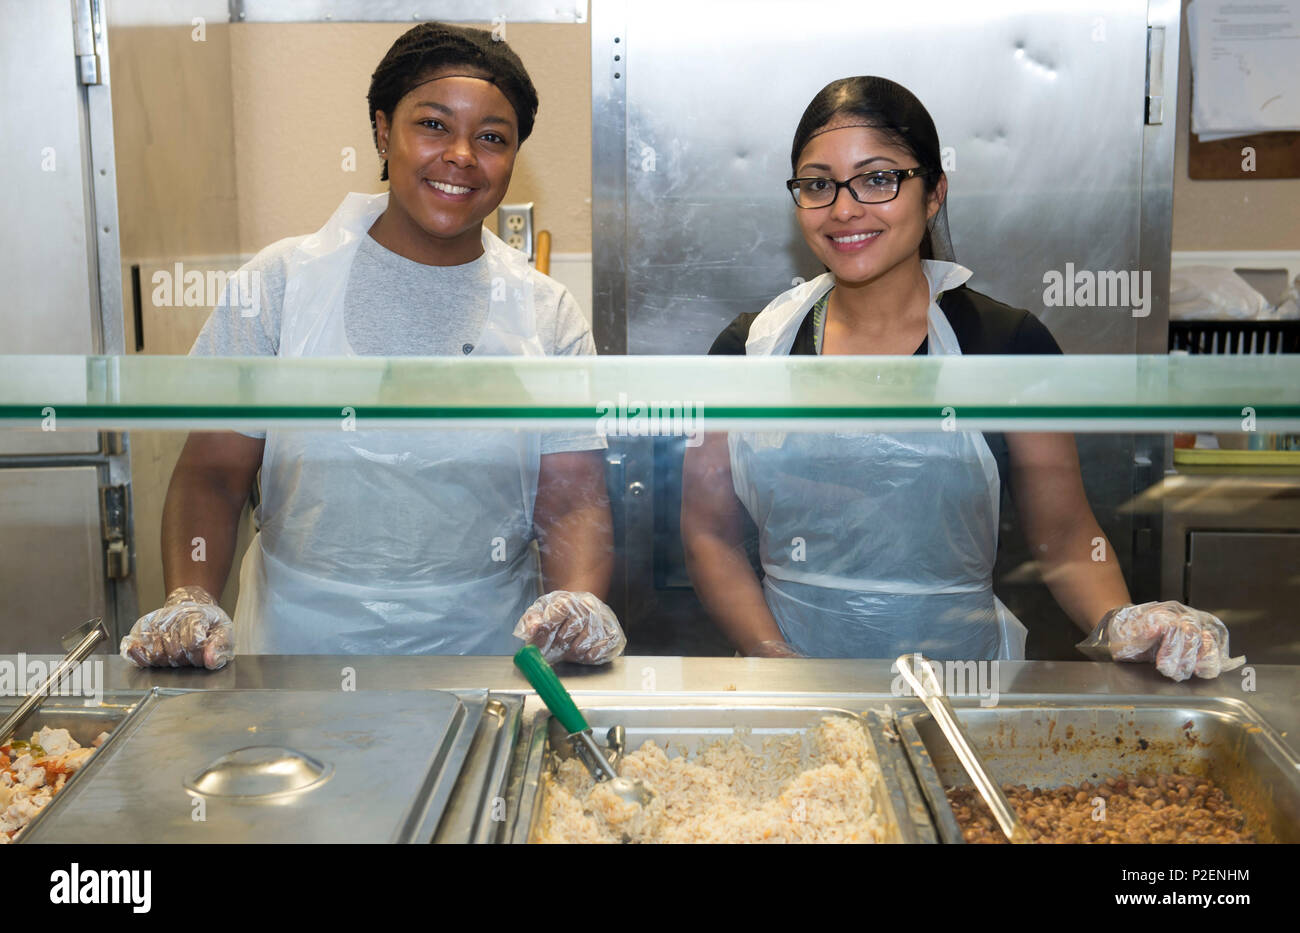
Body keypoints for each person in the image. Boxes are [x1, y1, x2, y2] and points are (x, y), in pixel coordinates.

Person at [681, 76, 1241, 681]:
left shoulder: (1004, 344)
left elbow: (1064, 532)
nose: (844, 209)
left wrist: (1119, 622)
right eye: (818, 185)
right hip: (787, 688)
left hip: (967, 691)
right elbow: (708, 531)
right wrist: (774, 661)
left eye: (878, 178)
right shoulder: (749, 349)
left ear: (933, 193)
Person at [121, 23, 622, 666]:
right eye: (434, 125)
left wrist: (577, 602)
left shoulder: (546, 312)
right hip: (295, 650)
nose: (462, 155)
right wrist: (190, 596)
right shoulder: (281, 283)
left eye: (492, 137)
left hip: (486, 649)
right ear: (384, 131)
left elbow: (574, 498)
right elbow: (213, 476)